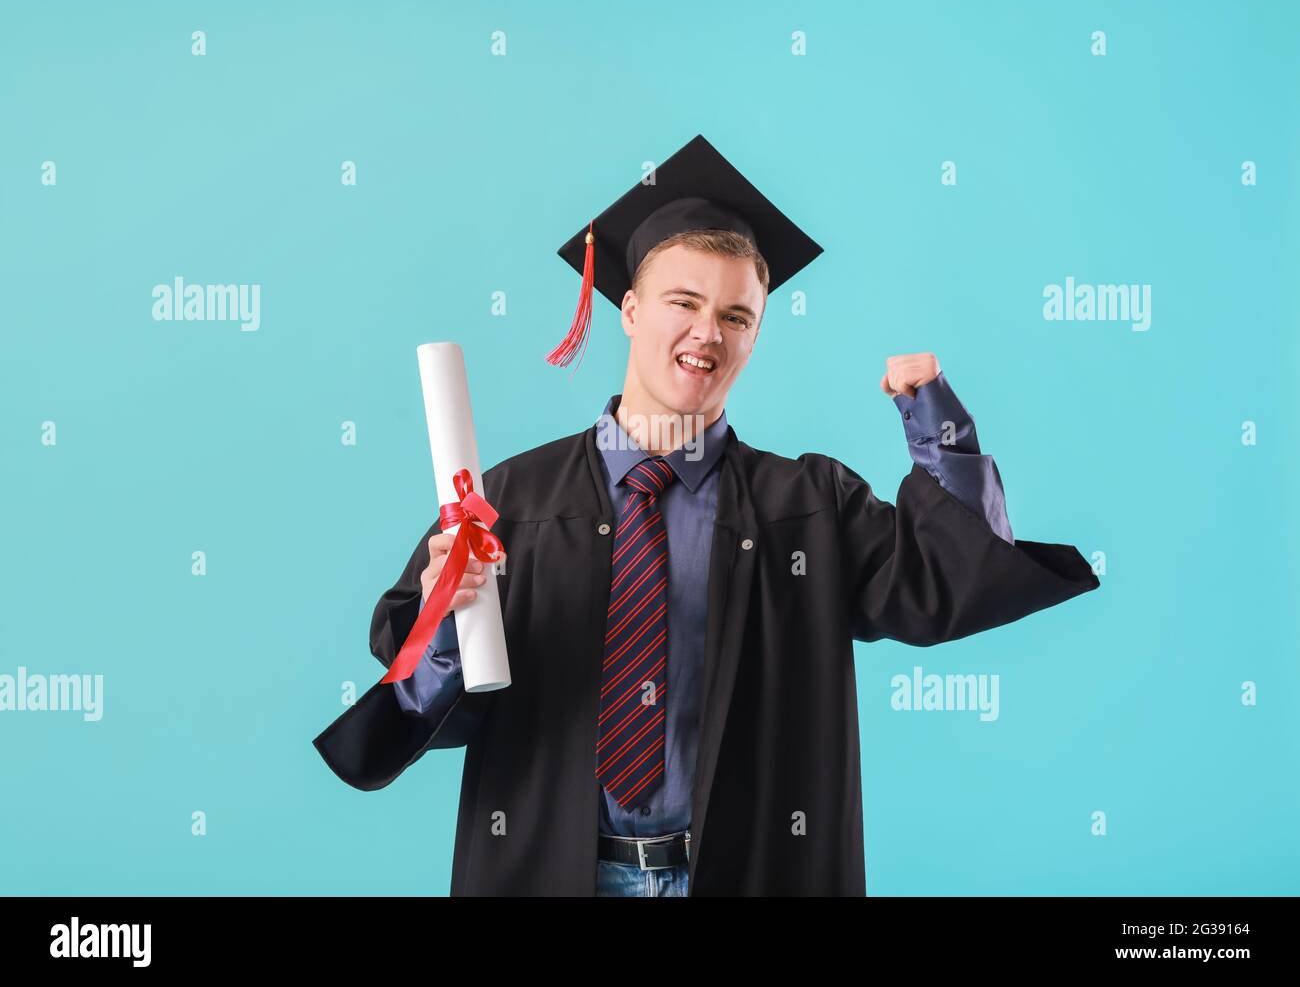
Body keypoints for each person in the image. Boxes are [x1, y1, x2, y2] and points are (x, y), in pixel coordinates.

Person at [313, 134, 1099, 897]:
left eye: (736, 315)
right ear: (626, 308)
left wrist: (937, 421)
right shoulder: (511, 504)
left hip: (748, 869)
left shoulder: (809, 508)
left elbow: (953, 577)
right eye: (682, 302)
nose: (706, 333)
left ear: (756, 335)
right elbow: (420, 702)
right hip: (549, 871)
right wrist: (447, 623)